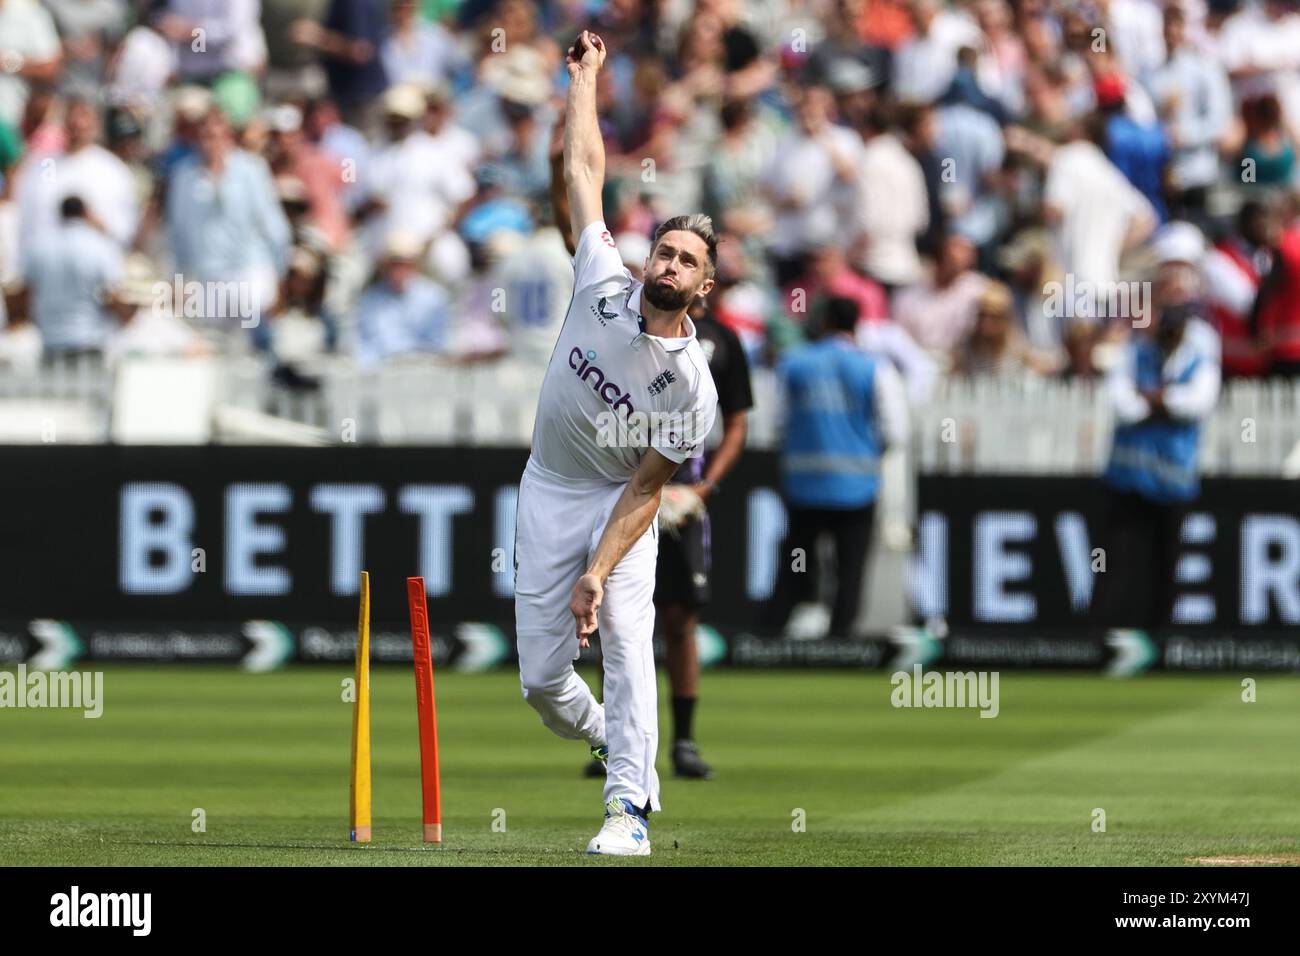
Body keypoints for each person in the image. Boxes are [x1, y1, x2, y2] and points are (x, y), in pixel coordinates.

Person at [513, 31, 718, 857]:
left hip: (619, 505)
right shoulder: (602, 277)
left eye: (687, 261)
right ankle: (608, 739)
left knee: (633, 646)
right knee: (539, 683)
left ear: (704, 286)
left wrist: (599, 571)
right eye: (664, 250)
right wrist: (586, 79)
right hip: (549, 486)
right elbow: (584, 172)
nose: (667, 264)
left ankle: (627, 808)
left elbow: (646, 489)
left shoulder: (691, 386)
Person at [767, 296, 908, 639]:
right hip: (857, 486)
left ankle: (781, 629)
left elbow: (778, 426)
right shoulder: (875, 367)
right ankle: (841, 638)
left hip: (804, 485)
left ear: (825, 321)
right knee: (851, 567)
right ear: (855, 324)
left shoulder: (794, 364)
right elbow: (895, 430)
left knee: (798, 559)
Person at [1096, 290, 1221, 628]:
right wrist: (1162, 403)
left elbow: (1197, 403)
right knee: (1114, 561)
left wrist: (1154, 398)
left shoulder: (1198, 362)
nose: (1172, 333)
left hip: (1173, 483)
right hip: (1128, 479)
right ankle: (1105, 633)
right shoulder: (1134, 353)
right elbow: (1124, 406)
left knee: (1167, 564)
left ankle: (1161, 635)